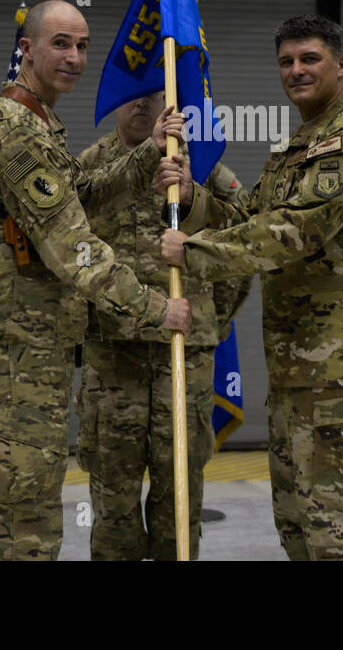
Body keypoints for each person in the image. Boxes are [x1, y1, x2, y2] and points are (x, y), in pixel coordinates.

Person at [0, 0, 191, 561]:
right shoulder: (14, 132)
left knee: (16, 507)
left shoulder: (40, 126)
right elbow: (72, 246)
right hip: (14, 351)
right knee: (23, 517)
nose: (76, 57)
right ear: (26, 49)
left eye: (83, 45)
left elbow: (75, 195)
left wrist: (143, 155)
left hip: (33, 349)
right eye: (60, 43)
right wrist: (158, 309)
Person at [160, 14, 343, 560]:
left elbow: (295, 231)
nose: (295, 71)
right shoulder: (299, 143)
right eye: (286, 62)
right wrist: (193, 195)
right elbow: (250, 212)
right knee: (300, 530)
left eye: (309, 59)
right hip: (299, 369)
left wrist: (193, 252)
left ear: (341, 65)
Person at [76, 90, 252, 560]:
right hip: (112, 357)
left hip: (184, 356)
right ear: (114, 98)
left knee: (180, 489)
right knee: (112, 490)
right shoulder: (88, 168)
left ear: (169, 99)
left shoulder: (203, 167)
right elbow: (63, 249)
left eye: (152, 94)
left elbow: (244, 240)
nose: (140, 104)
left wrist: (194, 196)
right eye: (130, 93)